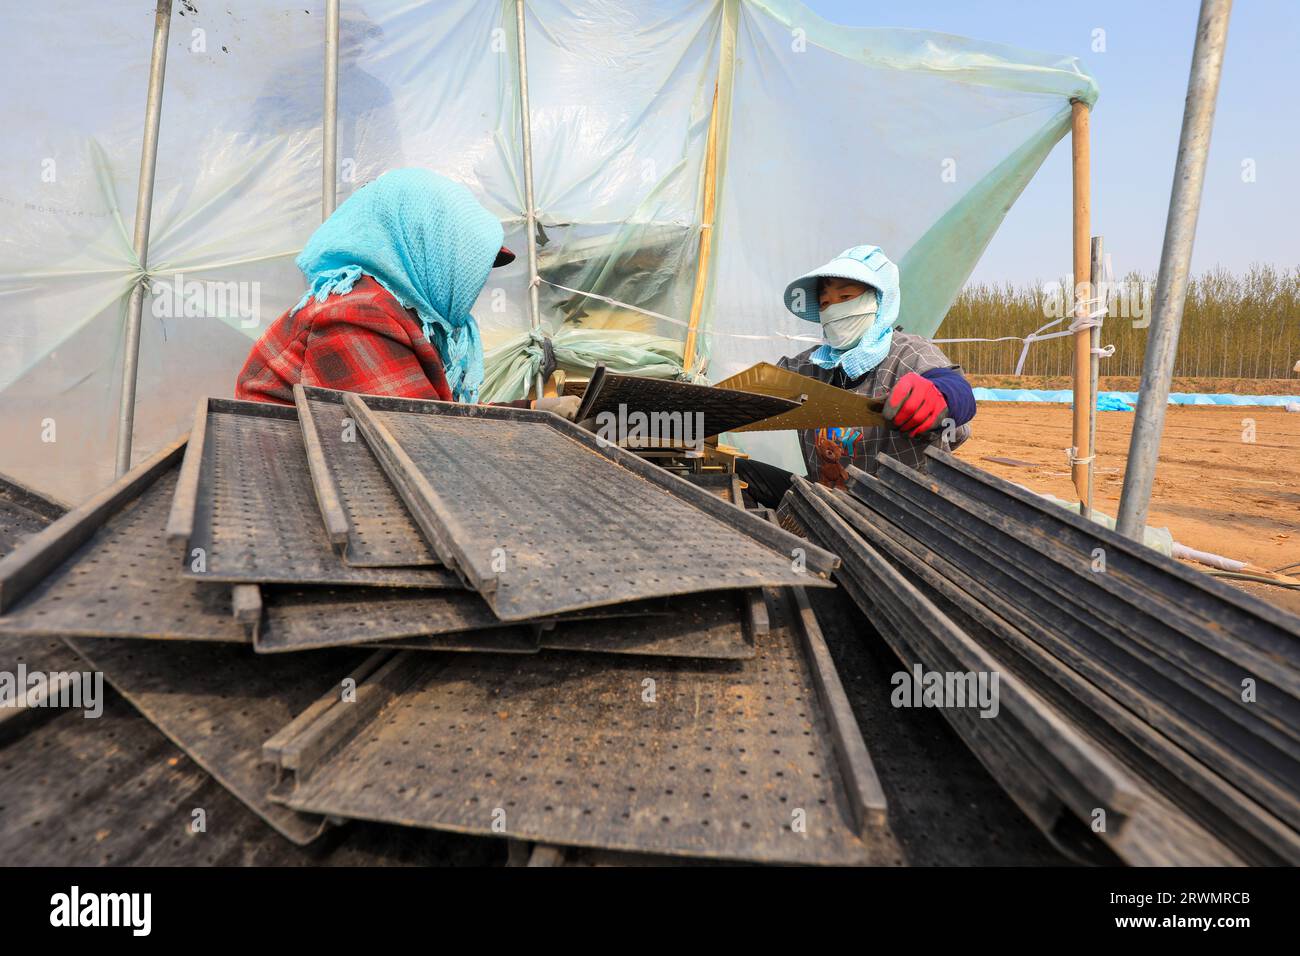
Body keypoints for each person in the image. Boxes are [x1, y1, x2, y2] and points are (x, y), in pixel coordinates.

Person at [236, 167, 578, 418]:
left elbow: (434, 413)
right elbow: (424, 438)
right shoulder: (354, 316)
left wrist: (533, 410)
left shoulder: (400, 315)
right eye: (464, 265)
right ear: (421, 250)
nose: (475, 285)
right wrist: (534, 423)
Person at [736, 244, 975, 508]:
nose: (833, 309)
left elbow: (957, 392)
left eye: (845, 297)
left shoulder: (906, 354)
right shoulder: (811, 366)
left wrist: (939, 395)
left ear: (879, 301)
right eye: (825, 303)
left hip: (896, 509)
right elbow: (758, 389)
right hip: (825, 500)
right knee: (736, 474)